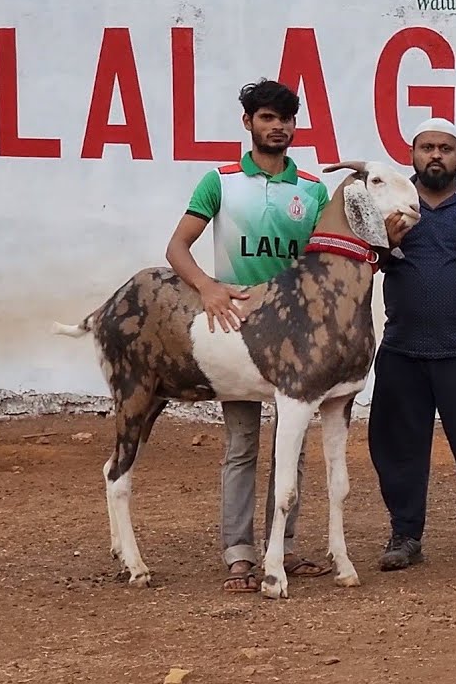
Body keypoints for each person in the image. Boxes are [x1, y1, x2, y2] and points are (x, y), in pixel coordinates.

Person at [165, 78, 335, 593]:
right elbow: (177, 247)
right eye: (267, 117)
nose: (277, 126)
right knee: (241, 443)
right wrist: (209, 288)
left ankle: (280, 547)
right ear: (248, 123)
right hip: (235, 331)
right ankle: (238, 554)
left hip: (294, 334)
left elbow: (320, 261)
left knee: (294, 447)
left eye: (285, 118)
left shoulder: (313, 188)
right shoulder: (219, 181)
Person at [367, 117, 456, 570]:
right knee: (398, 444)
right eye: (426, 147)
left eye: (444, 148)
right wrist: (385, 245)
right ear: (412, 155)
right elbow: (367, 266)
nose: (435, 155)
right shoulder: (391, 203)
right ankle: (405, 533)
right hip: (402, 349)